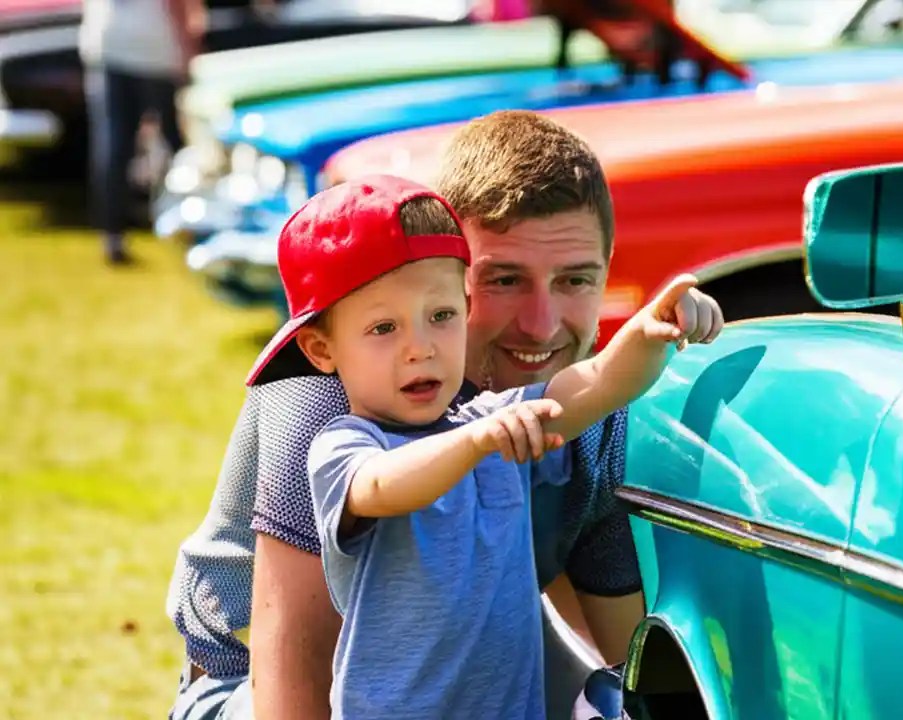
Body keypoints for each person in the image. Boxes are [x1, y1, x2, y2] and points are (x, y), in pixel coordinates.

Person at [164, 110, 720, 719]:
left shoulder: (584, 417)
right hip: (257, 685)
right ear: (450, 271)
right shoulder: (331, 398)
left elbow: (628, 660)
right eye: (504, 280)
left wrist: (656, 332)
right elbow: (290, 696)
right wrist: (477, 443)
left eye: (575, 280)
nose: (541, 323)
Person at [80, 0, 204, 265]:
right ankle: (192, 224)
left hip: (109, 40)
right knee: (177, 144)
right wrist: (188, 46)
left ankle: (113, 235)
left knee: (114, 144)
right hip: (155, 46)